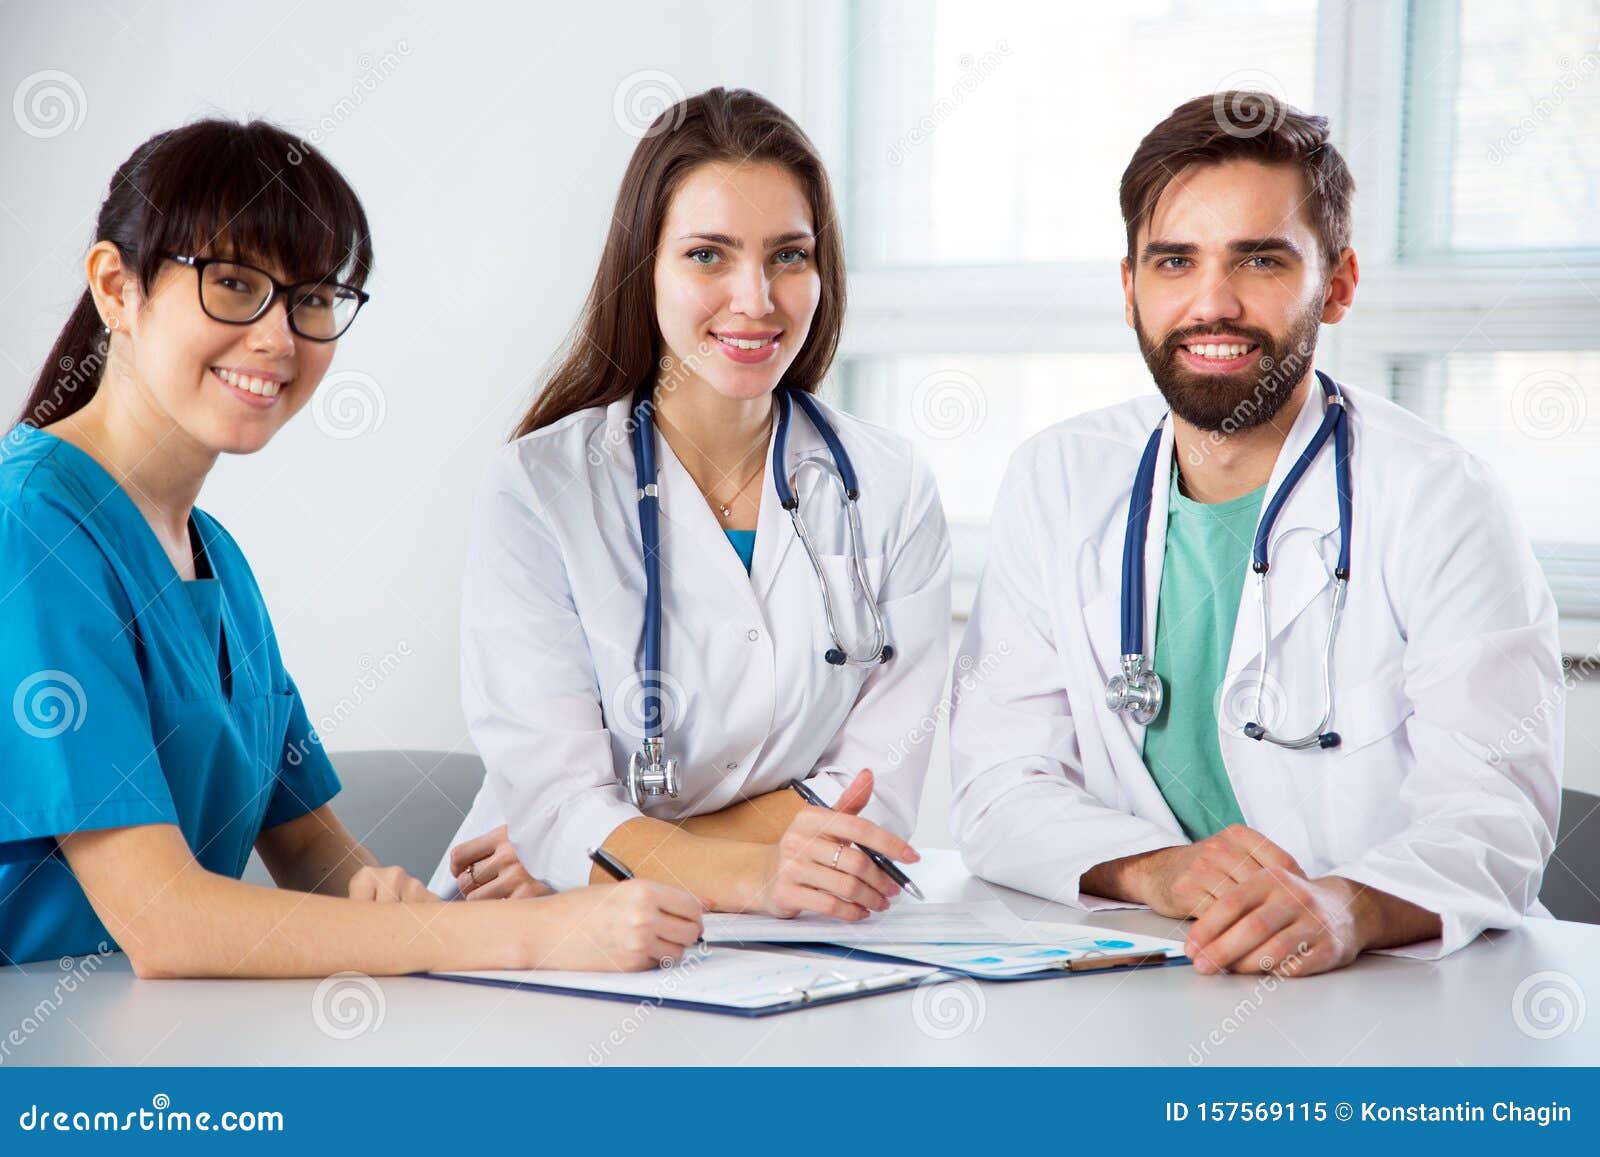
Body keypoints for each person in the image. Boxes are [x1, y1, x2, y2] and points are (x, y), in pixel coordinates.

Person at [0, 119, 701, 975]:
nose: (277, 337)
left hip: (174, 1050)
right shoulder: (28, 529)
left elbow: (325, 868)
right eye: (231, 282)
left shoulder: (213, 557)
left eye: (313, 299)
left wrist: (514, 894)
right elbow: (168, 925)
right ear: (117, 286)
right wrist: (535, 938)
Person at [949, 92, 1562, 975]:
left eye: (1261, 260)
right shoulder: (1056, 479)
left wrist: (1347, 905)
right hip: (1153, 970)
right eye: (1173, 262)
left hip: (1394, 994)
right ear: (1129, 289)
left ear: (1338, 284)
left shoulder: (1440, 496)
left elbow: (1496, 814)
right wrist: (1160, 871)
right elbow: (1001, 785)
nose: (1213, 303)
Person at [432, 89, 951, 921]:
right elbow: (557, 808)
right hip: (548, 938)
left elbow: (869, 799)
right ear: (646, 268)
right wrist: (733, 865)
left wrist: (608, 855)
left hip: (780, 949)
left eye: (789, 255)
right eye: (708, 255)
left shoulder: (890, 487)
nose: (756, 298)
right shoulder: (540, 488)